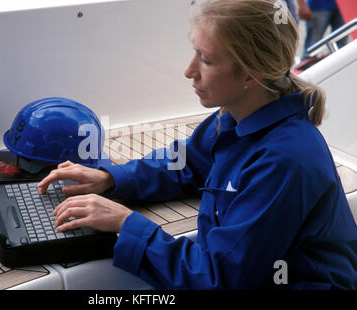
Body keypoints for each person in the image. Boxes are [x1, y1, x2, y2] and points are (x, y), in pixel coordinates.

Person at [38, 0, 357, 289]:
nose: (189, 71)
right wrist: (113, 179)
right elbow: (186, 162)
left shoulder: (285, 160)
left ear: (251, 74)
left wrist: (125, 222)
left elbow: (219, 280)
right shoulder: (234, 117)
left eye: (205, 60)